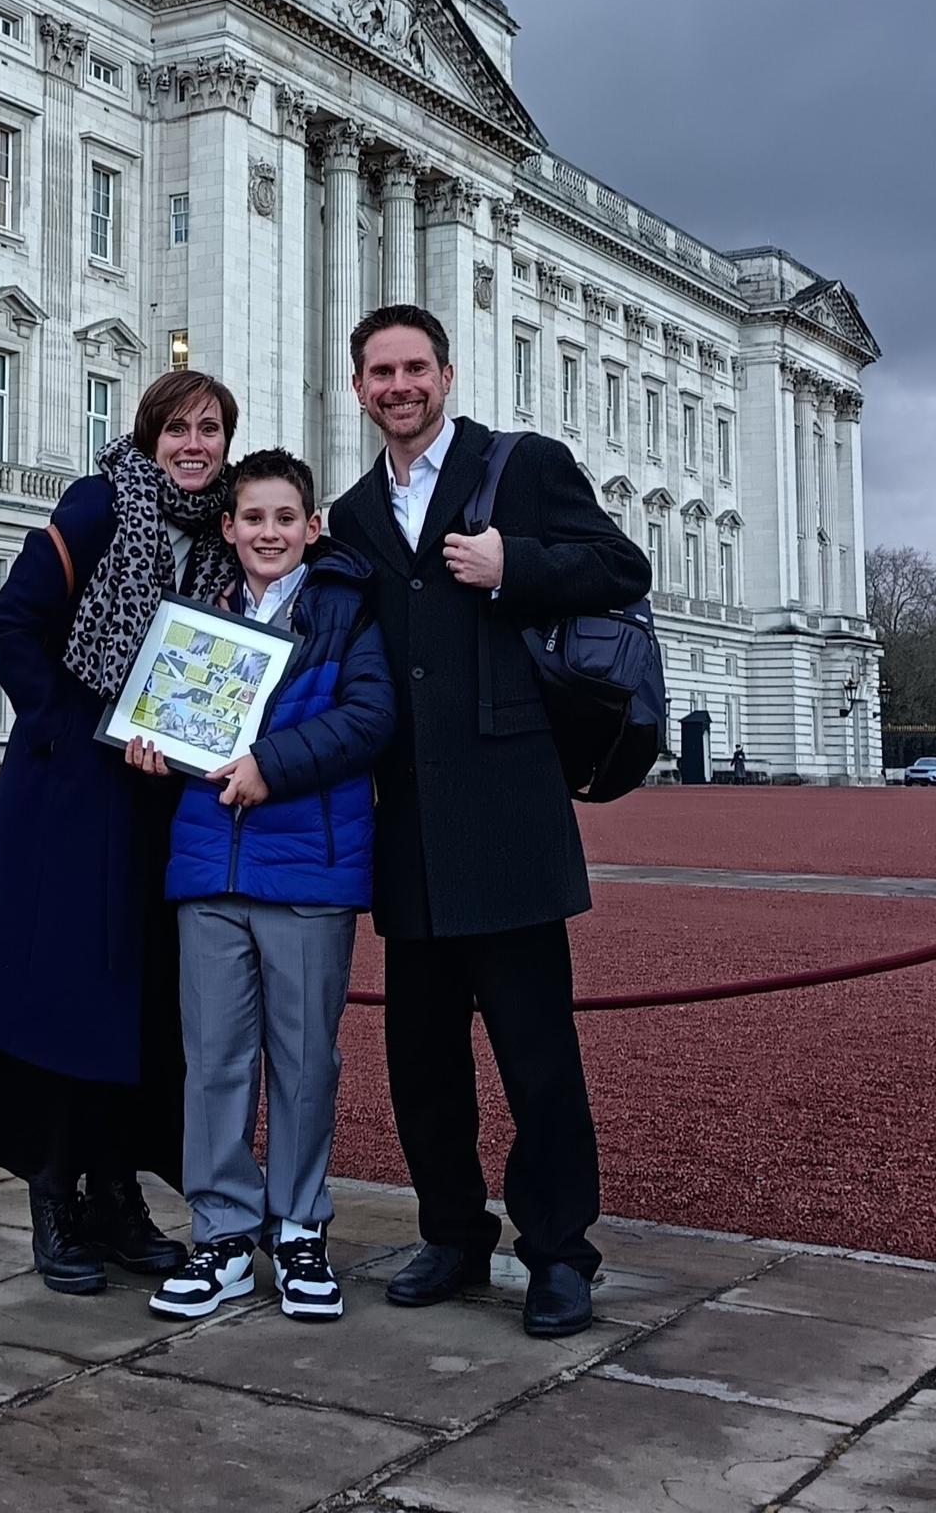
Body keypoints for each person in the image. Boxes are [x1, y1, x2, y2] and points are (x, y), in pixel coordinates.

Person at [330, 304, 652, 1341]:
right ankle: (451, 1233)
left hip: (508, 809)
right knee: (420, 1061)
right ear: (358, 387)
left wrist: (516, 565)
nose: (398, 386)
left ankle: (558, 1252)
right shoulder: (348, 511)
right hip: (409, 819)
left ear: (446, 372)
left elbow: (618, 567)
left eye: (413, 366)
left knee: (535, 1056)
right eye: (379, 371)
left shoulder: (520, 466)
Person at [0, 370, 240, 1298]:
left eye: (212, 429)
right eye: (180, 428)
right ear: (149, 434)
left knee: (143, 1004)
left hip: (160, 797)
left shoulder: (224, 534)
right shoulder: (100, 504)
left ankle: (117, 1193)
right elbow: (12, 625)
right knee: (68, 997)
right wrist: (72, 733)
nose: (196, 444)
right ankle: (53, 1196)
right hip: (73, 794)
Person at [128, 449, 396, 1325]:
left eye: (285, 518)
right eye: (253, 519)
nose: (269, 533)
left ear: (311, 527)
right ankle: (222, 1235)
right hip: (210, 863)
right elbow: (170, 719)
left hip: (308, 867)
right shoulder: (198, 615)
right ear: (230, 527)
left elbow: (369, 719)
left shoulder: (347, 611)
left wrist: (271, 768)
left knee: (305, 1063)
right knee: (212, 1064)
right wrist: (151, 748)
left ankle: (300, 1229)